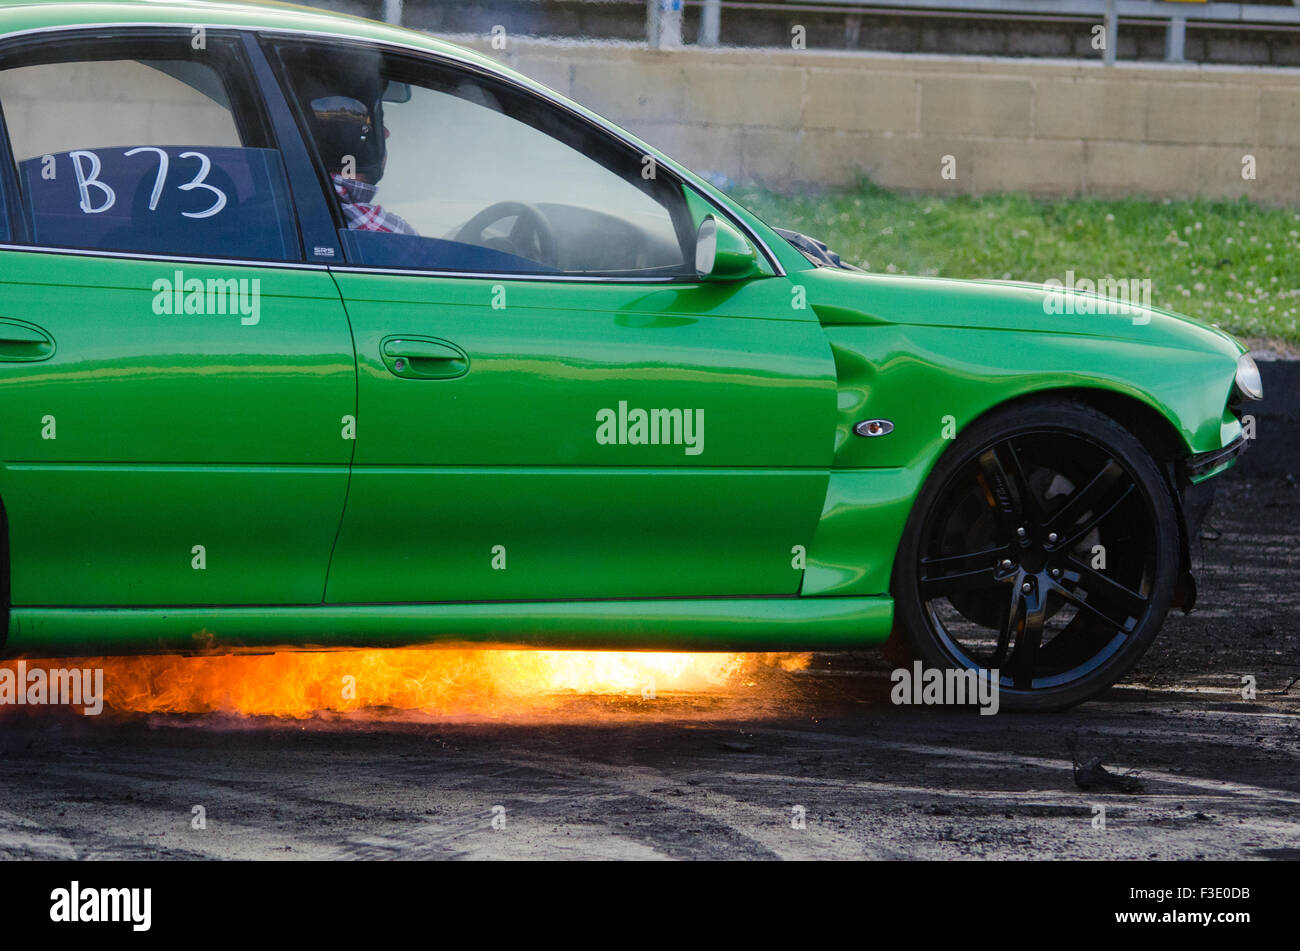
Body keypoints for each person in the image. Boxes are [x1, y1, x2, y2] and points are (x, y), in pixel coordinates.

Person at [307, 89, 417, 236]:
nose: (386, 133)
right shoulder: (383, 231)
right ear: (351, 138)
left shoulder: (286, 197)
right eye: (378, 124)